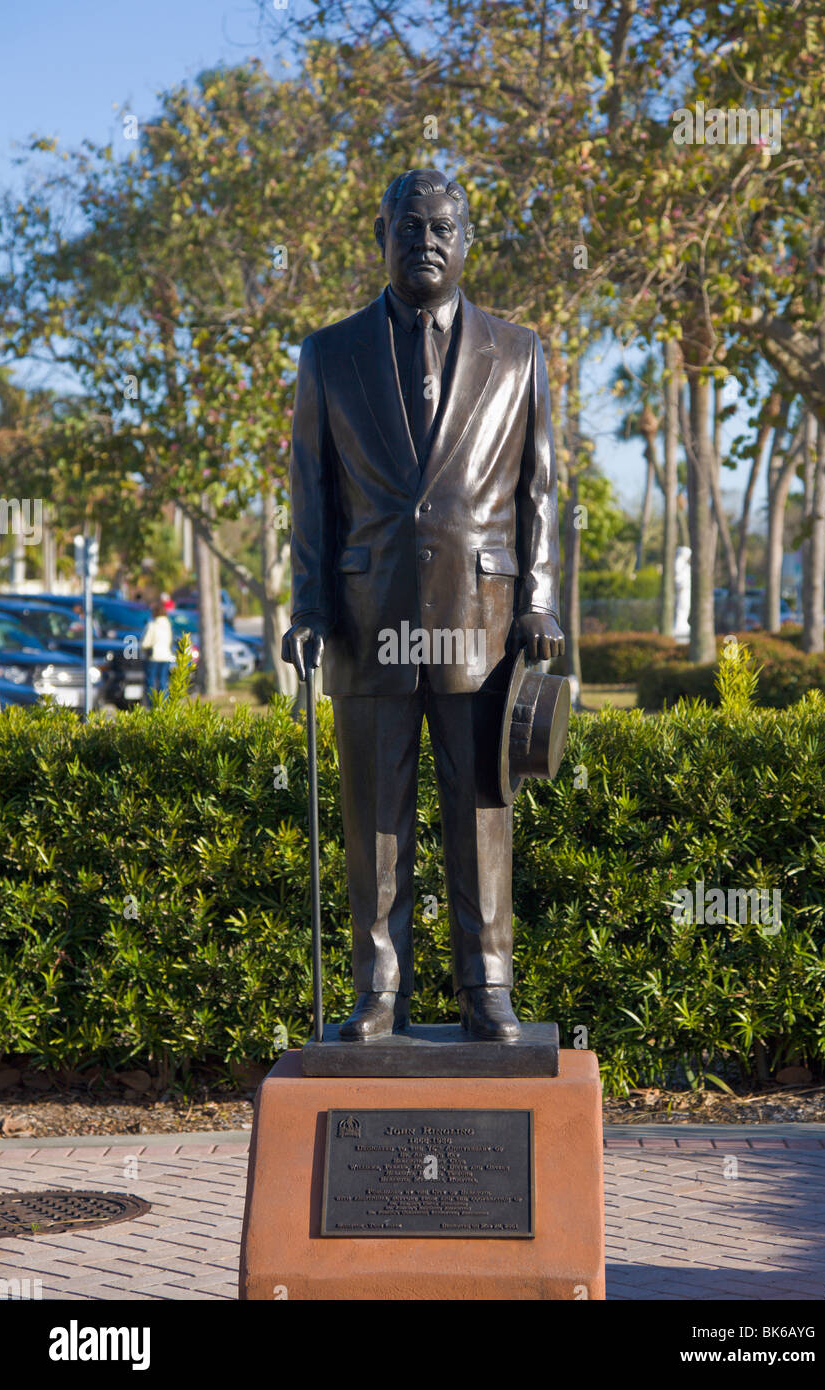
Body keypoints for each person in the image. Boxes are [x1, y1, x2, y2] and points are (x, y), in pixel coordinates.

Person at [283, 168, 564, 1042]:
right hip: (369, 620)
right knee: (374, 818)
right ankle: (378, 989)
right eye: (411, 227)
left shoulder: (518, 352)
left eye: (444, 228)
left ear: (468, 239)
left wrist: (542, 603)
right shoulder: (329, 353)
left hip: (481, 620)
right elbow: (313, 495)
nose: (427, 242)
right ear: (382, 234)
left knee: (481, 807)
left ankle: (488, 984)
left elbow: (541, 492)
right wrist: (309, 608)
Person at [140, 602, 174, 704]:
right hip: (166, 657)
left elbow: (146, 642)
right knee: (163, 682)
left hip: (153, 657)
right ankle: (164, 703)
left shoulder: (152, 625)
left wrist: (143, 649)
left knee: (150, 682)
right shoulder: (168, 625)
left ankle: (152, 704)